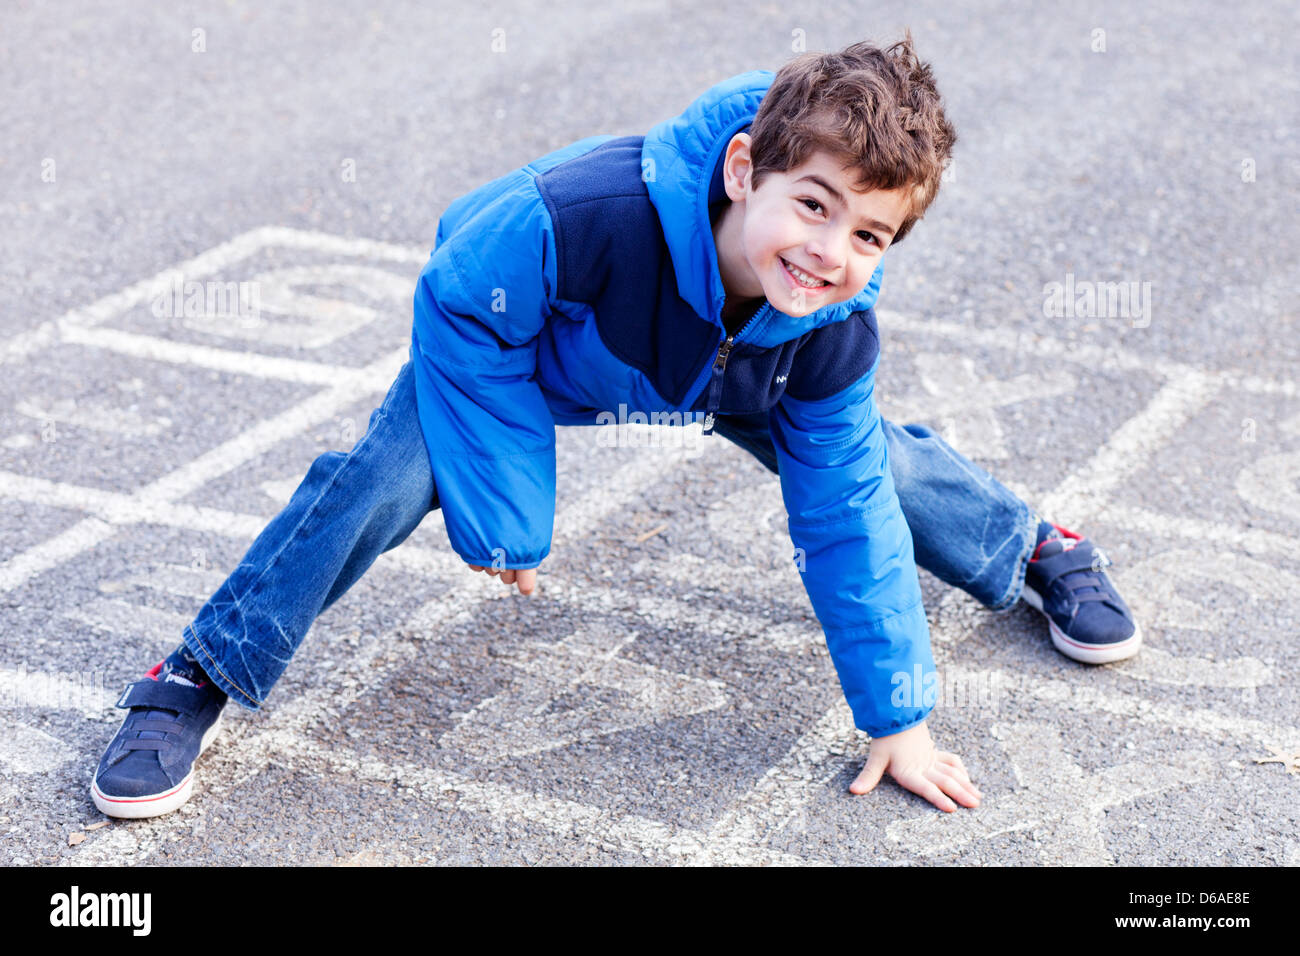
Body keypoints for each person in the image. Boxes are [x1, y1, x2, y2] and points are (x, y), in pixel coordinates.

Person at [91, 34, 1140, 821]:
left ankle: (1035, 544)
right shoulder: (579, 210)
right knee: (380, 475)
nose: (830, 249)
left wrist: (897, 716)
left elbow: (846, 520)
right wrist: (505, 511)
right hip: (528, 357)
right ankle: (198, 670)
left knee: (868, 467)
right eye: (812, 206)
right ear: (742, 170)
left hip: (728, 371)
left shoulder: (826, 323)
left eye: (868, 233)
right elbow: (460, 297)